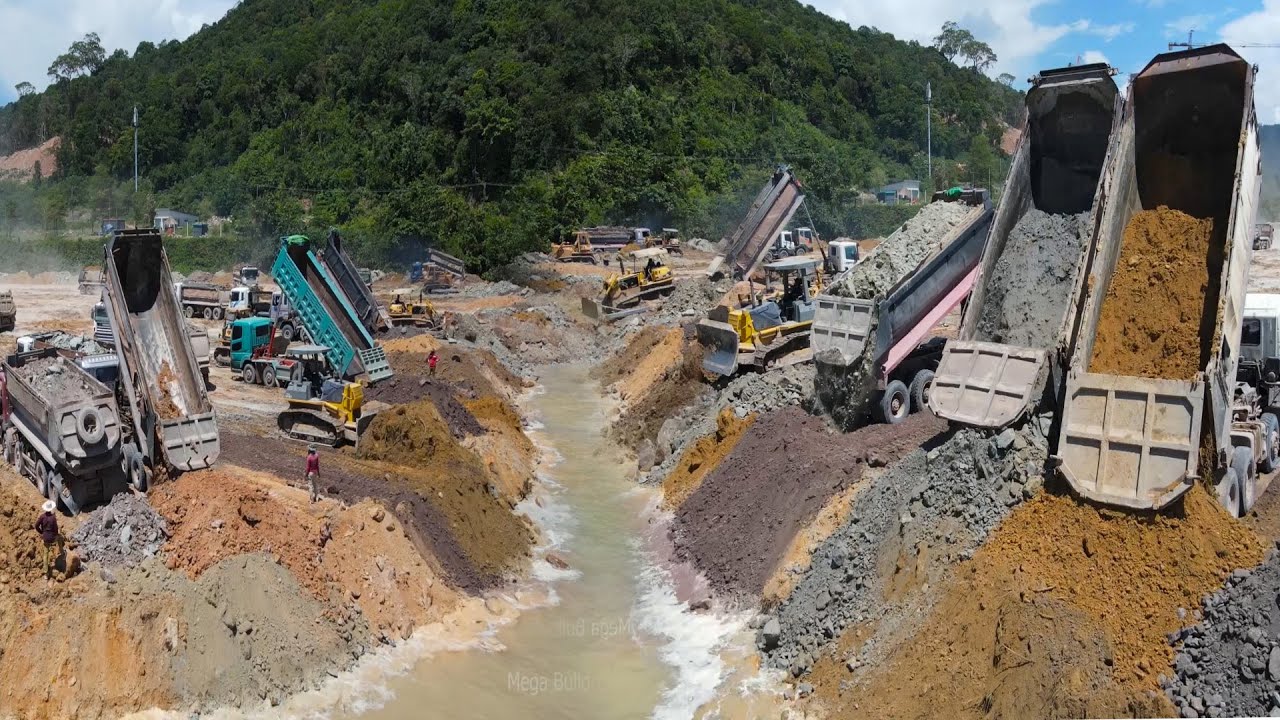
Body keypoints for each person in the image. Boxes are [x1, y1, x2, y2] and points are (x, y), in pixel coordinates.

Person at [35, 500, 61, 579]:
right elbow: (56, 529)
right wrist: (56, 535)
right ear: (51, 509)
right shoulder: (53, 518)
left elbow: (36, 526)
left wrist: (42, 532)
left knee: (45, 554)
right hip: (52, 538)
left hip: (45, 538)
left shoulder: (42, 517)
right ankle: (62, 553)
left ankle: (46, 573)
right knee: (60, 539)